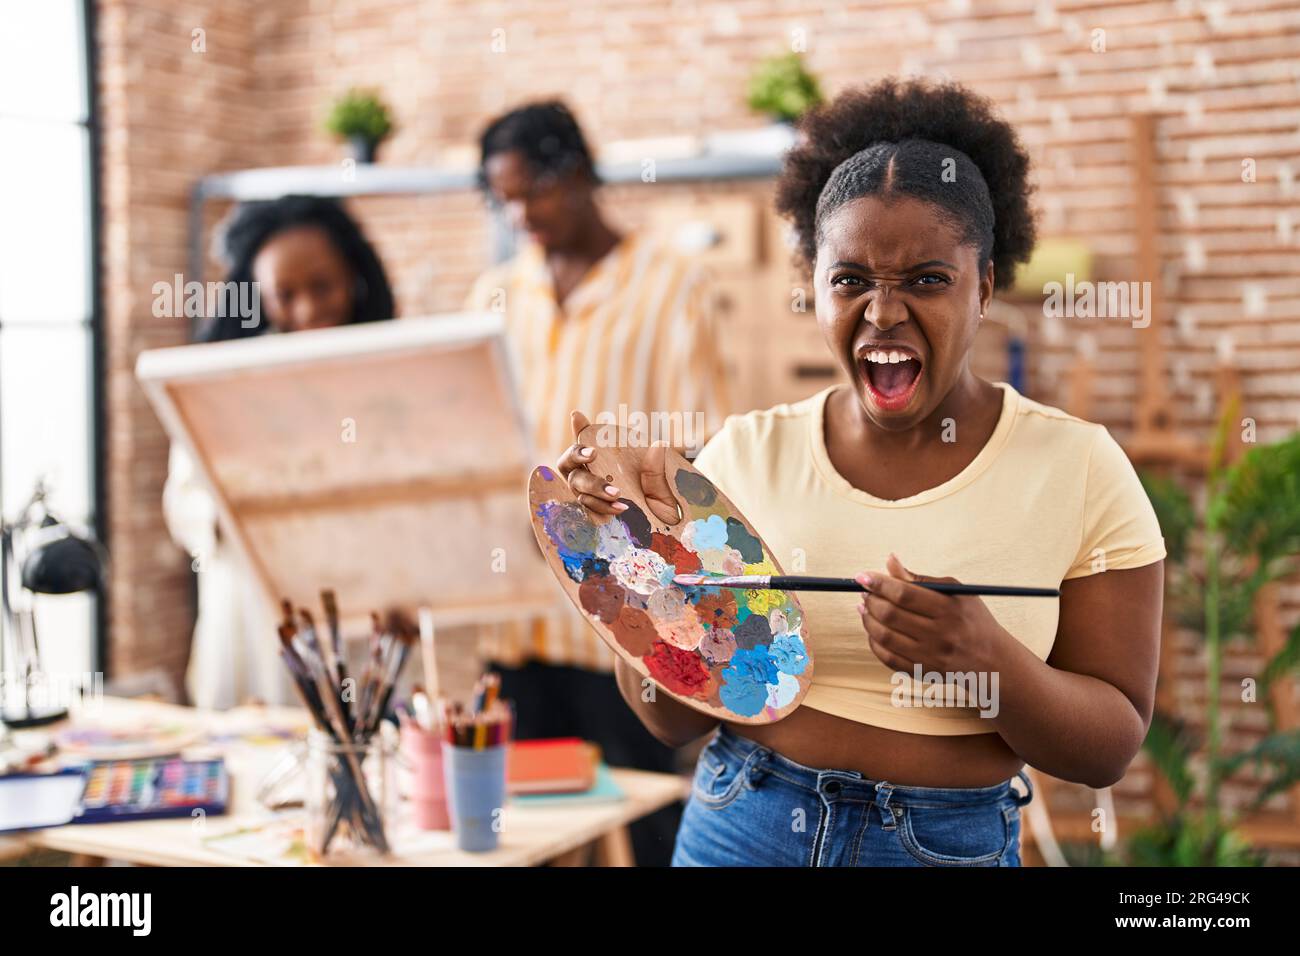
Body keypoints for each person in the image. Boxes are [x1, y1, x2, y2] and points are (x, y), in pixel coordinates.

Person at [557, 78, 1167, 866]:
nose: (882, 313)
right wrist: (625, 570)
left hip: (943, 845)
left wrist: (989, 663)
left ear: (984, 286)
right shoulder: (742, 457)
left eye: (926, 279)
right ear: (813, 289)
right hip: (742, 826)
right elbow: (670, 719)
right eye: (850, 280)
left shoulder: (1081, 468)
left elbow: (1109, 746)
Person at [464, 100, 731, 865]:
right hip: (513, 620)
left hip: (618, 618)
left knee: (639, 823)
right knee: (521, 833)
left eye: (532, 192)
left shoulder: (673, 287)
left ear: (578, 173)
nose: (520, 214)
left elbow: (698, 453)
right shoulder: (493, 297)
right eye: (503, 199)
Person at [164, 196, 396, 709]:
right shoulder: (223, 379)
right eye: (285, 294)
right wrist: (240, 504)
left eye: (323, 286)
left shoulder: (389, 373)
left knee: (348, 756)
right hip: (247, 615)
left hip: (353, 612)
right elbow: (184, 507)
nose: (309, 310)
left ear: (353, 276)